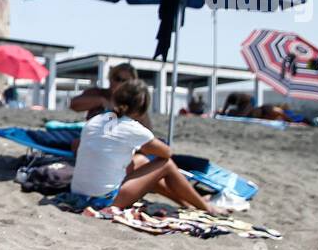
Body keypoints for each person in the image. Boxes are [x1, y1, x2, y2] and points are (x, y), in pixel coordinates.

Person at [69, 80, 227, 214]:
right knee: (165, 165)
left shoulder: (95, 120)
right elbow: (166, 153)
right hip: (102, 200)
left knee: (142, 161)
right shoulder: (133, 128)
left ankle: (188, 203)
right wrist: (145, 142)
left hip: (78, 193)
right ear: (142, 108)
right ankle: (205, 207)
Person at [70, 62, 151, 128]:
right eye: (117, 78)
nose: (120, 83)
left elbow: (147, 129)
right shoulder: (98, 93)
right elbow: (74, 105)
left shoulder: (134, 104)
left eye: (125, 81)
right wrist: (101, 101)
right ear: (110, 77)